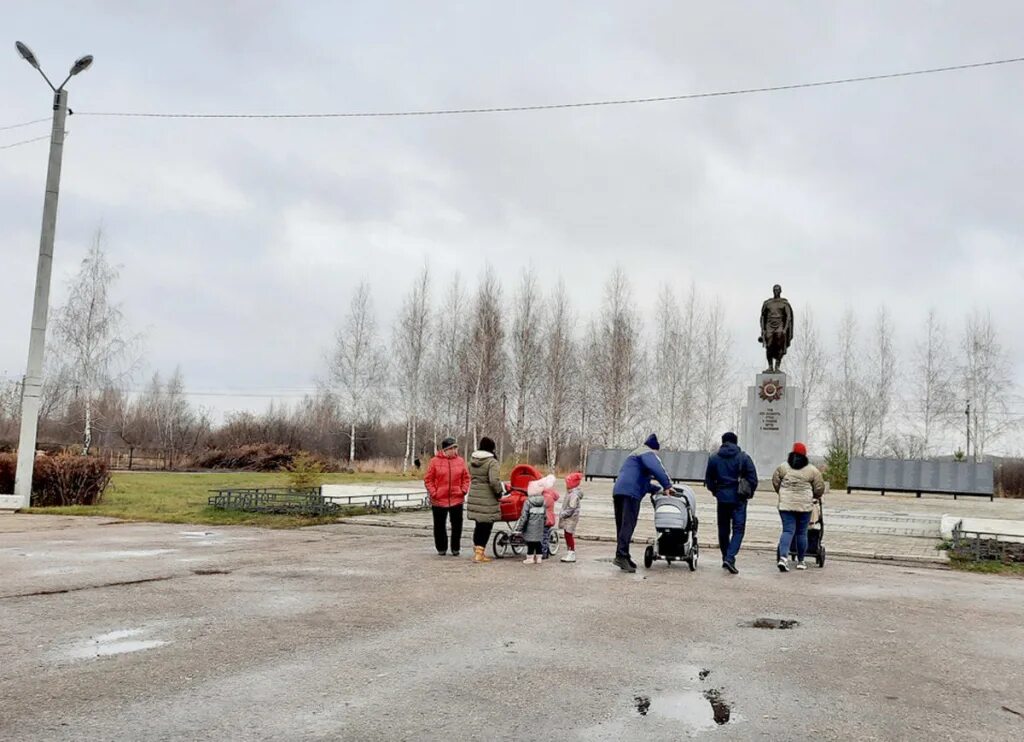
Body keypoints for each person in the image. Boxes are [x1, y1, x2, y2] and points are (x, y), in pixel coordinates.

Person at [612, 434, 673, 573]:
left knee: (621, 527)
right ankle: (621, 556)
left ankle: (624, 555)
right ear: (655, 449)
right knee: (628, 526)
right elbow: (657, 468)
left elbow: (643, 483)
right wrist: (668, 485)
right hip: (631, 494)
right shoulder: (647, 452)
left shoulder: (633, 456)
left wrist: (659, 489)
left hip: (619, 491)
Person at [704, 431, 758, 575]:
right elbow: (753, 479)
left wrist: (716, 491)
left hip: (722, 498)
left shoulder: (714, 458)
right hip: (739, 499)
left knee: (723, 529)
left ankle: (725, 557)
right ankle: (730, 557)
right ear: (736, 442)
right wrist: (748, 493)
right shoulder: (744, 458)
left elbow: (709, 480)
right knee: (739, 529)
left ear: (723, 442)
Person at [772, 442, 826, 572]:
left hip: (786, 505)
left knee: (787, 531)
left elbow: (775, 481)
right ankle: (801, 561)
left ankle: (783, 558)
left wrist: (782, 492)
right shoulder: (812, 470)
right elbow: (819, 487)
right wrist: (814, 495)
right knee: (802, 533)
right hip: (804, 506)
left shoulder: (783, 467)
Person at [423, 437, 470, 556]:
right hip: (439, 500)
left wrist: (463, 490)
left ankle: (455, 548)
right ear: (446, 449)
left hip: (456, 498)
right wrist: (434, 493)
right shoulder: (434, 461)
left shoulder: (460, 461)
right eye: (452, 448)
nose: (454, 450)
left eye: (455, 448)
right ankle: (441, 548)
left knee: (457, 525)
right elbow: (428, 479)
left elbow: (466, 478)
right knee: (439, 526)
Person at [466, 436, 504, 563]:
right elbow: (494, 481)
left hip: (474, 495)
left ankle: (477, 551)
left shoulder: (472, 460)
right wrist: (499, 492)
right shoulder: (492, 462)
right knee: (487, 525)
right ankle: (480, 554)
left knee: (478, 524)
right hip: (487, 497)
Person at [514, 483, 548, 565]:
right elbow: (545, 515)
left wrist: (519, 528)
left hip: (530, 526)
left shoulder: (528, 502)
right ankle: (539, 558)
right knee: (538, 541)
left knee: (530, 542)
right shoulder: (543, 501)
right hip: (539, 526)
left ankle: (530, 558)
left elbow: (524, 516)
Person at [559, 471, 584, 563]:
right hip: (570, 517)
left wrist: (563, 514)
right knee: (567, 534)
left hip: (571, 518)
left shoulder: (573, 495)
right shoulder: (570, 493)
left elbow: (571, 508)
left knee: (568, 534)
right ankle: (570, 551)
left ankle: (571, 552)